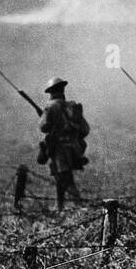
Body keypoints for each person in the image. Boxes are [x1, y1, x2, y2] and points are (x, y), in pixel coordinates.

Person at [37, 76, 90, 211]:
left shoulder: (50, 107)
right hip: (75, 148)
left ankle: (81, 208)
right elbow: (85, 130)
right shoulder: (72, 106)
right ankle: (60, 207)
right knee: (59, 177)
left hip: (60, 149)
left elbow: (43, 127)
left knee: (65, 178)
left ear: (50, 92)